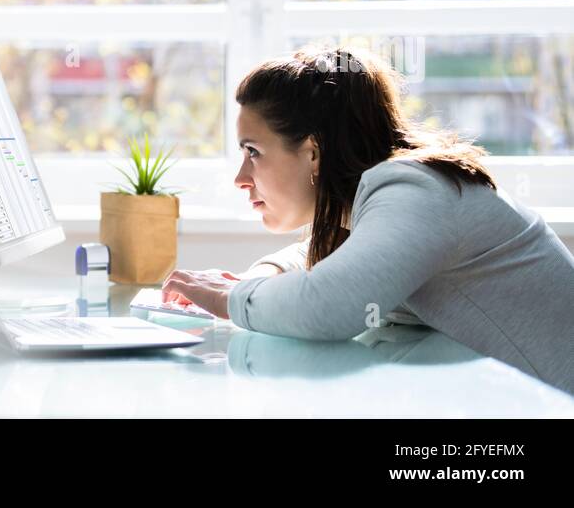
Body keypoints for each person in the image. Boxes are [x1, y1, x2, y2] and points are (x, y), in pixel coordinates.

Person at [160, 46, 574, 393]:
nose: (240, 178)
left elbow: (329, 306)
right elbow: (337, 256)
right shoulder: (397, 193)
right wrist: (263, 273)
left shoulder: (415, 191)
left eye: (252, 151)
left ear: (313, 152)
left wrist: (229, 300)